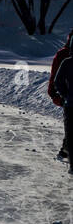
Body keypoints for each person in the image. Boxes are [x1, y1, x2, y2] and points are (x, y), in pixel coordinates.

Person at [49, 28, 73, 160]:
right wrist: (60, 97)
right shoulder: (63, 55)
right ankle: (67, 149)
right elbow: (55, 80)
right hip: (69, 100)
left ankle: (66, 148)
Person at [53, 44, 73, 175]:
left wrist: (65, 95)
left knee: (71, 134)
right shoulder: (66, 62)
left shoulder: (67, 62)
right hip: (71, 103)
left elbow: (57, 81)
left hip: (71, 104)